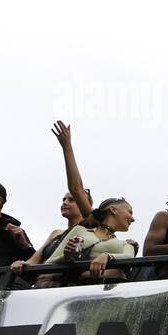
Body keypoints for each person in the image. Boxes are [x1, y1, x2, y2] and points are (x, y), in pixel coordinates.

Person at [38, 122, 138, 286]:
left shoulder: (124, 244)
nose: (133, 219)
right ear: (112, 209)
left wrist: (105, 259)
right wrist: (67, 147)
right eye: (129, 212)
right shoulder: (89, 225)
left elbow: (122, 272)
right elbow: (77, 189)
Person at [9, 189, 91, 280]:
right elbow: (34, 260)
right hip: (41, 282)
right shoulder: (55, 233)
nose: (65, 203)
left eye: (71, 200)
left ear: (83, 205)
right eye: (64, 199)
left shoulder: (89, 233)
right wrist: (20, 263)